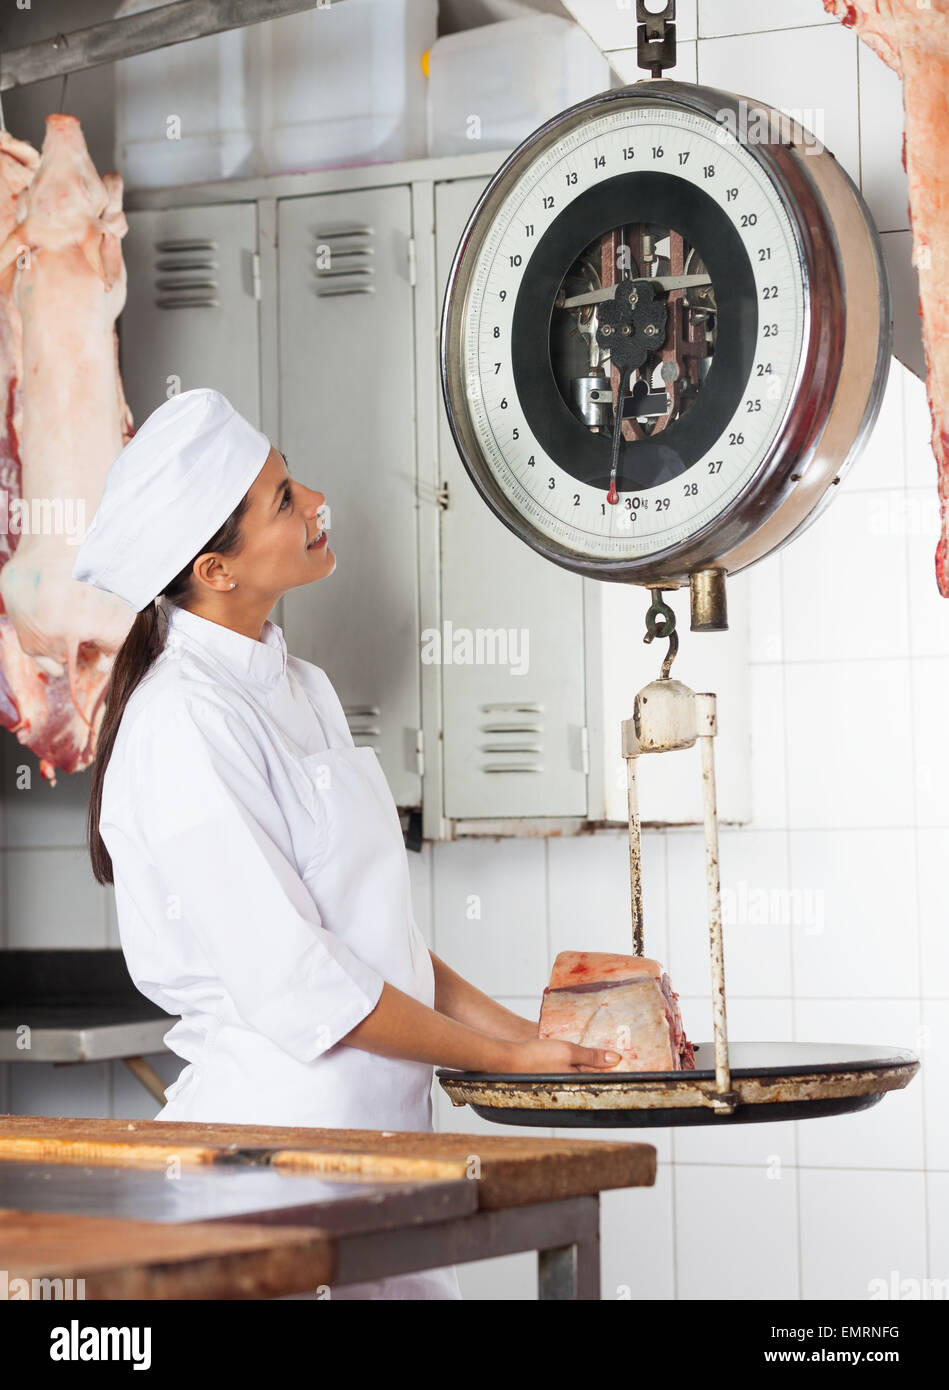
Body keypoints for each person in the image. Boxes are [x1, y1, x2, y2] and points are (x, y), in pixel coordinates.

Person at [73, 388, 621, 1301]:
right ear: (214, 567)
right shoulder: (181, 722)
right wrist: (498, 1060)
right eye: (284, 500)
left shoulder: (301, 686)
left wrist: (528, 1039)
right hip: (270, 1165)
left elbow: (376, 943)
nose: (317, 500)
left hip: (373, 1154)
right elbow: (301, 983)